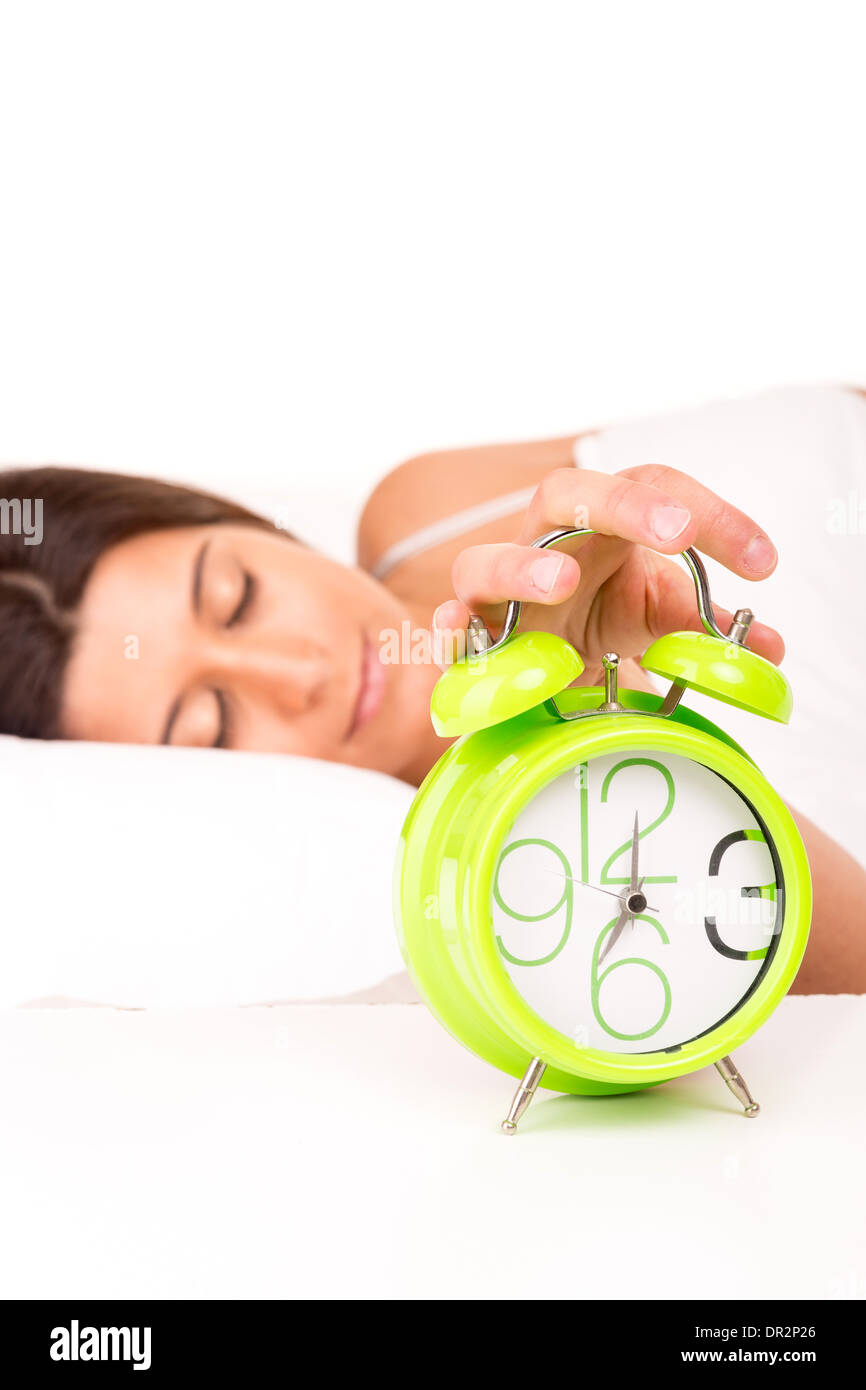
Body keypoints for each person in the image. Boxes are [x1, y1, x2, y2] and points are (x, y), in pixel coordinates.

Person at [1, 385, 864, 991]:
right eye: (213, 724)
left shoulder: (424, 504)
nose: (302, 672)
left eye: (240, 597)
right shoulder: (531, 897)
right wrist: (602, 719)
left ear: (230, 518)